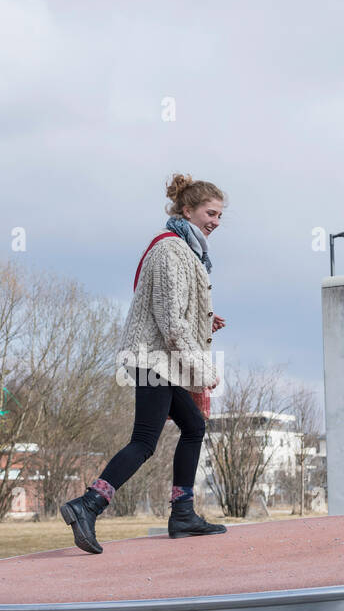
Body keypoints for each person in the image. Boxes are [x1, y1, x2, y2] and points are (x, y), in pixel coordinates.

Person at [60, 172, 228, 553]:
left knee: (194, 426)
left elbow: (171, 311)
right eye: (211, 213)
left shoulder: (186, 252)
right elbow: (170, 323)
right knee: (144, 441)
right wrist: (203, 371)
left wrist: (204, 321)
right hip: (153, 360)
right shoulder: (171, 251)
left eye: (220, 216)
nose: (216, 222)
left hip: (160, 360)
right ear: (187, 210)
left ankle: (182, 512)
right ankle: (88, 505)